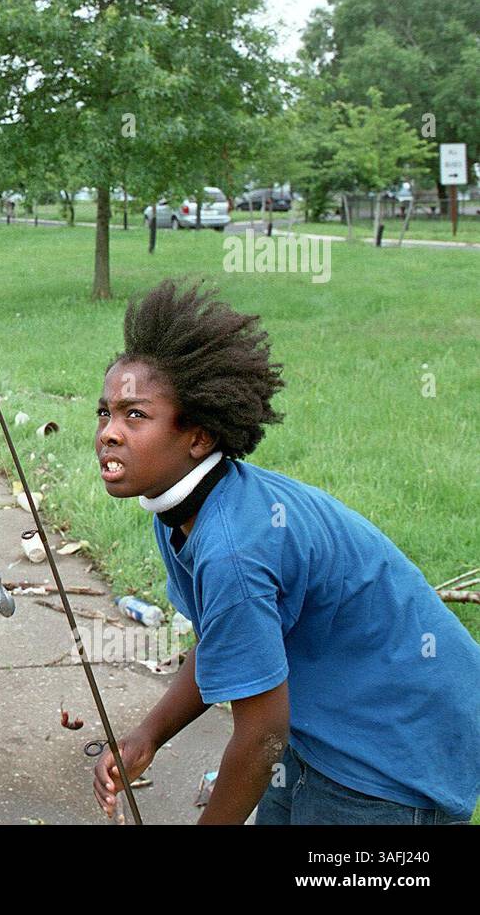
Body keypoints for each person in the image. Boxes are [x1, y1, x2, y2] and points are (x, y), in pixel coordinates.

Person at [91, 279, 480, 824]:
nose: (109, 432)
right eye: (104, 412)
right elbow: (228, 639)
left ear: (198, 437)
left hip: (395, 748)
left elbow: (260, 736)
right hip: (319, 729)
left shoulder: (233, 546)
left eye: (135, 415)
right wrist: (148, 736)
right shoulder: (180, 506)